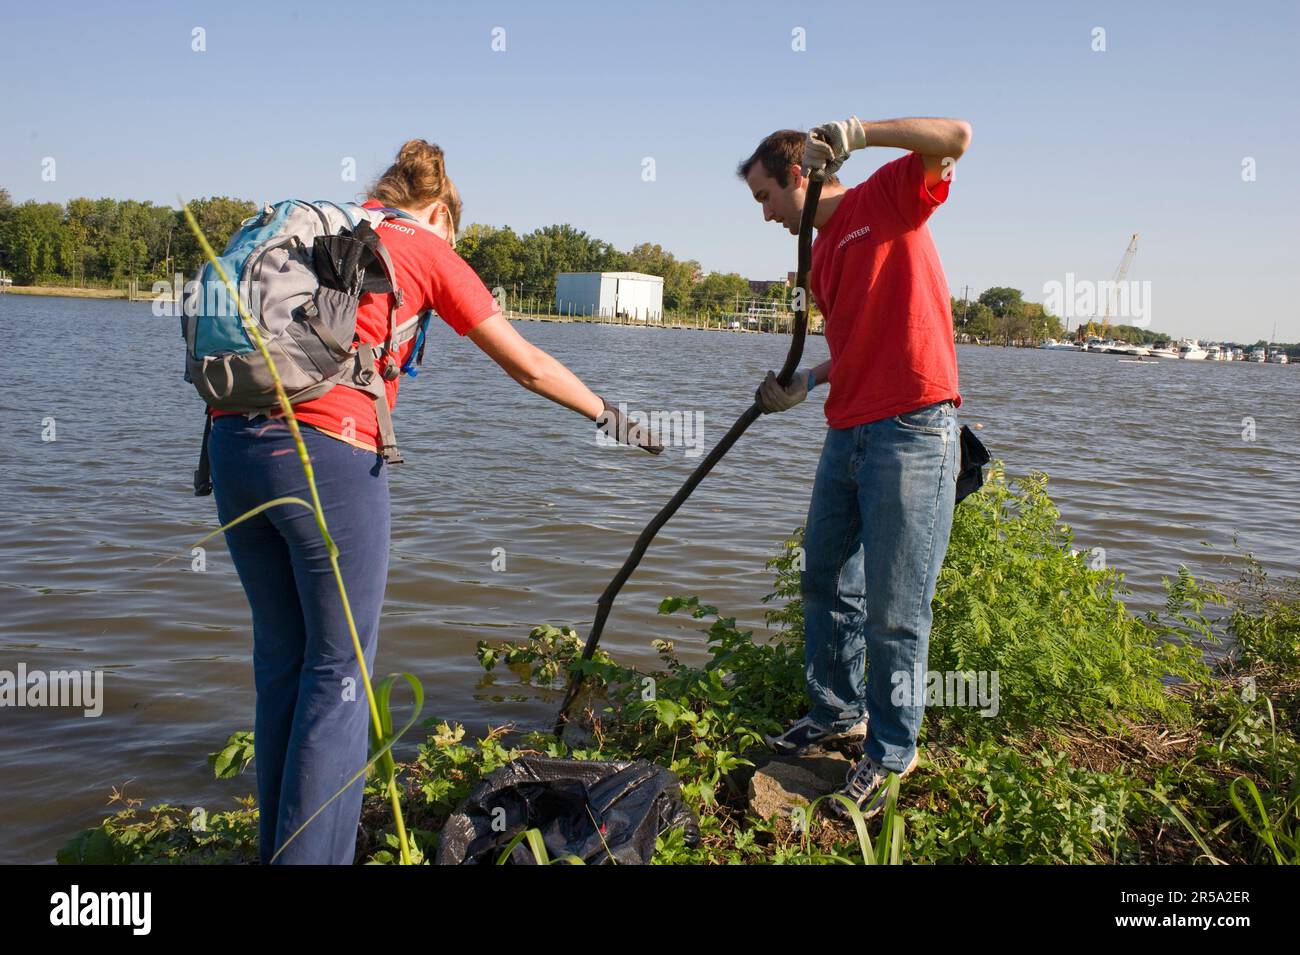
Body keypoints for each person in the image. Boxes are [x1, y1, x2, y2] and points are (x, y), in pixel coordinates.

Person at [207, 139, 661, 864]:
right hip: (327, 456)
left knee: (283, 664)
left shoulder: (324, 226)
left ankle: (277, 850)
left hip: (231, 448)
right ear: (443, 211)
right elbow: (530, 365)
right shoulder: (425, 245)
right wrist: (614, 416)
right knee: (338, 677)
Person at [738, 116, 972, 819]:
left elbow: (956, 136)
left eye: (766, 197)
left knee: (897, 608)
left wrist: (861, 131)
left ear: (799, 176)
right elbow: (854, 346)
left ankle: (893, 750)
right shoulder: (821, 254)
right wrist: (808, 382)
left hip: (913, 425)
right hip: (848, 432)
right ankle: (838, 713)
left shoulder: (887, 196)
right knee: (825, 576)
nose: (766, 214)